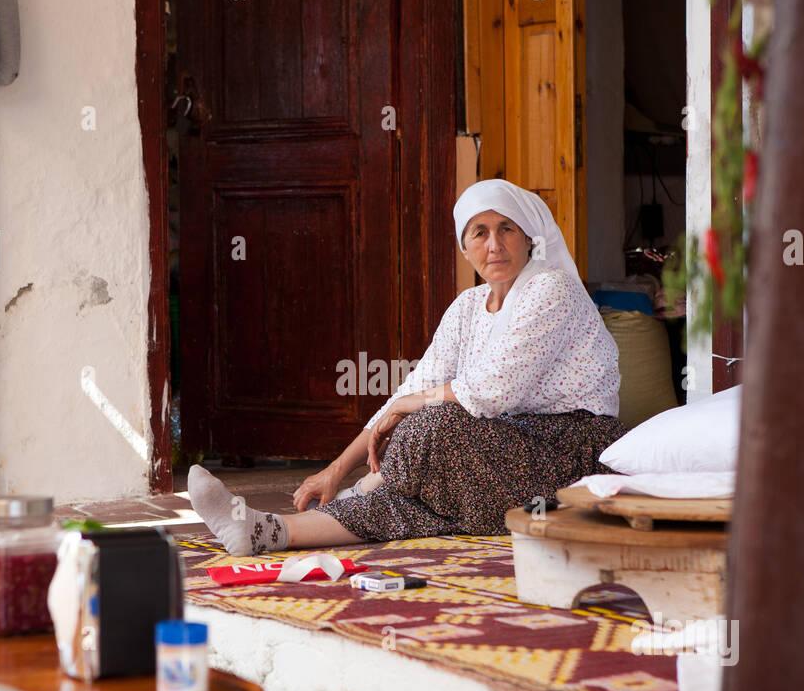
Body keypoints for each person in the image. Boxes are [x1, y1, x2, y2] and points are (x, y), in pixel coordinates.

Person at [188, 178, 626, 556]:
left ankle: (355, 495)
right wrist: (335, 468)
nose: (494, 245)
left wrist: (410, 409)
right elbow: (415, 387)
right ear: (465, 246)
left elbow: (494, 392)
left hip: (569, 459)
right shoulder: (468, 306)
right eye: (479, 233)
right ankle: (267, 532)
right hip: (501, 459)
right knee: (417, 473)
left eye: (506, 228)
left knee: (432, 425)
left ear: (528, 236)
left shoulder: (552, 289)